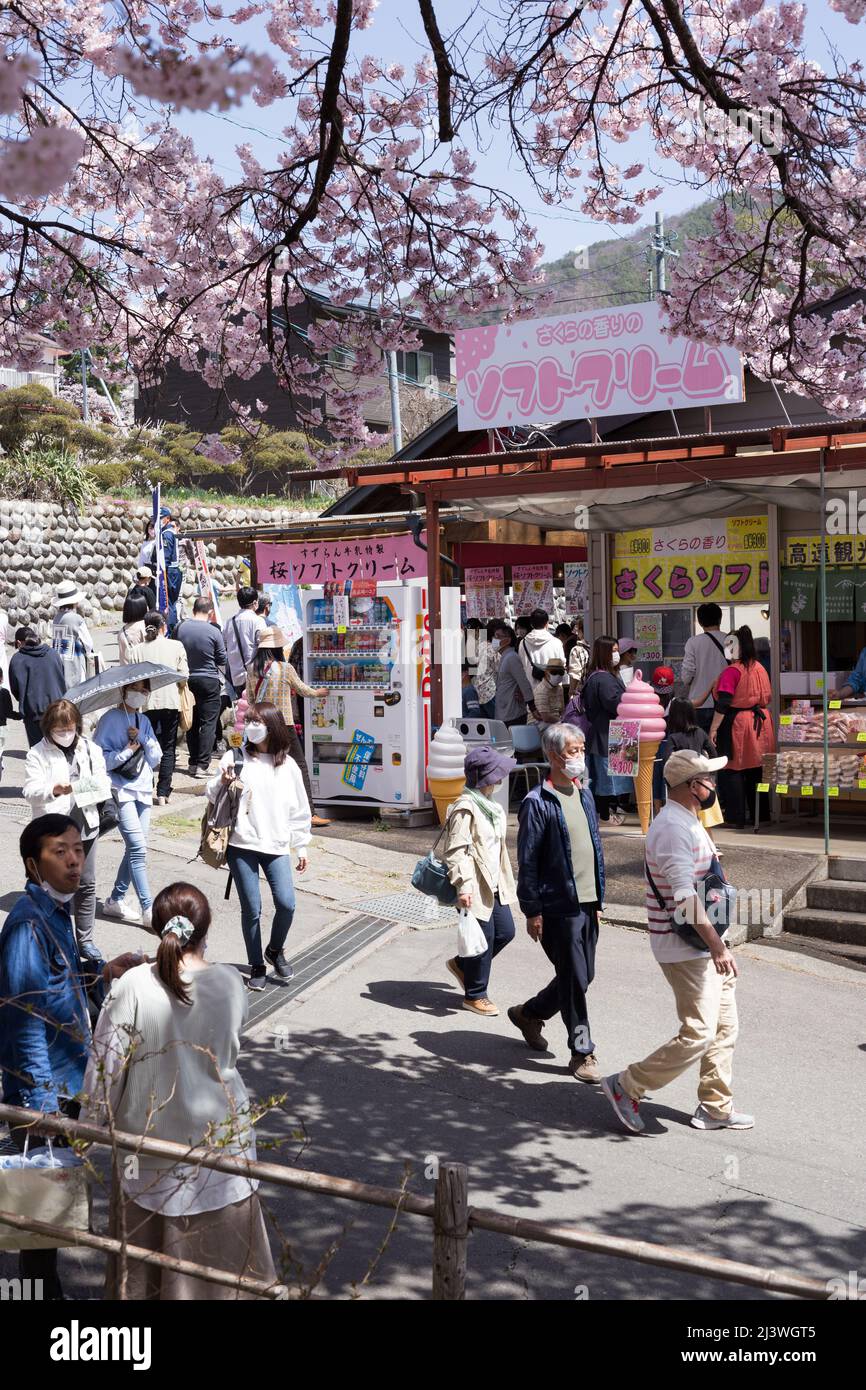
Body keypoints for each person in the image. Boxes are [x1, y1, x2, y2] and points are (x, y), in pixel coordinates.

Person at [83, 882, 277, 1300]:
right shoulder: (230, 982)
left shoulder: (133, 985)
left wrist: (89, 1128)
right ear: (206, 930)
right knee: (226, 1281)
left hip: (149, 1153)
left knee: (145, 1279)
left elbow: (105, 1069)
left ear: (157, 928)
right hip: (223, 1150)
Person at [0, 815, 139, 1299]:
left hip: (67, 1085)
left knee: (51, 1207)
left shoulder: (55, 915)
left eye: (78, 849)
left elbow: (56, 986)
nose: (74, 859)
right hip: (45, 1094)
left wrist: (101, 973)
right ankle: (40, 1296)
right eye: (60, 851)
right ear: (33, 865)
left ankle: (45, 1290)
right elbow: (21, 1018)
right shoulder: (25, 925)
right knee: (40, 1208)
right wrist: (39, 1107)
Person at [600, 749, 752, 1135]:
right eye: (708, 780)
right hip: (687, 947)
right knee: (699, 1032)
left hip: (706, 943)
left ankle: (716, 1107)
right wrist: (716, 947)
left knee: (723, 1029)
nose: (713, 785)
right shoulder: (672, 828)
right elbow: (685, 897)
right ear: (690, 786)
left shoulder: (688, 821)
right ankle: (626, 1085)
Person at [509, 724, 606, 1083]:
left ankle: (529, 1013)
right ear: (553, 756)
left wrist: (597, 896)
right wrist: (532, 909)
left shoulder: (585, 793)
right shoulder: (537, 803)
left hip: (586, 902)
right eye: (573, 751)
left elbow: (593, 846)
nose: (580, 757)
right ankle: (582, 1052)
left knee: (583, 975)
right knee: (574, 980)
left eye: (581, 749)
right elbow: (529, 860)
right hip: (557, 906)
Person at [207, 702, 311, 991]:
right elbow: (211, 792)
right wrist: (223, 782)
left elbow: (300, 810)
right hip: (242, 843)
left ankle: (275, 950)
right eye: (248, 720)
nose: (250, 726)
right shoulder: (235, 757)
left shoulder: (287, 765)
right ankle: (256, 964)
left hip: (276, 844)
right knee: (251, 908)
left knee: (287, 904)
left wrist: (302, 846)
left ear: (272, 726)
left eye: (257, 721)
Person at [23, 699, 111, 960]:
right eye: (59, 730)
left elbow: (104, 781)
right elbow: (30, 791)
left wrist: (84, 787)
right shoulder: (37, 753)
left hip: (85, 823)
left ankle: (85, 940)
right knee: (51, 885)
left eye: (69, 728)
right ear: (48, 728)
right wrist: (54, 789)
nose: (65, 734)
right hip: (54, 828)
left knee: (85, 884)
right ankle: (51, 939)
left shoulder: (89, 748)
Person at [442, 745, 518, 1017]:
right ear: (486, 777)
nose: (501, 777)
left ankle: (463, 965)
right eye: (496, 773)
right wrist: (463, 886)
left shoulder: (491, 807)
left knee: (506, 932)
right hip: (474, 884)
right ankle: (475, 995)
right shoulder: (466, 807)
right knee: (482, 937)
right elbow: (455, 851)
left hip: (494, 881)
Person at [245, 627, 330, 828]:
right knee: (299, 766)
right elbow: (302, 690)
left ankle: (263, 811)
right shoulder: (285, 668)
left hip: (260, 725)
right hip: (283, 723)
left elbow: (249, 699)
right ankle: (310, 813)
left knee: (265, 766)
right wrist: (320, 693)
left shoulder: (251, 669)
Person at [94, 678, 163, 926]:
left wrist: (142, 738)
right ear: (124, 690)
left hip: (143, 789)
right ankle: (148, 908)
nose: (140, 694)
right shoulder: (110, 719)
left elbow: (156, 757)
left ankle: (115, 899)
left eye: (145, 691)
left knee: (136, 847)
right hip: (120, 789)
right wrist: (126, 750)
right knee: (137, 848)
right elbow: (98, 757)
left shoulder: (143, 721)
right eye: (135, 689)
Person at [710, 627, 776, 830]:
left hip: (739, 723)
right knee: (757, 768)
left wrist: (713, 728)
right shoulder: (760, 668)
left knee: (732, 768)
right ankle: (762, 814)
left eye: (730, 644)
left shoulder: (732, 671)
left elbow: (724, 702)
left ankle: (735, 817)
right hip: (762, 721)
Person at [128, 610, 190, 804]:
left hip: (145, 703)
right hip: (170, 701)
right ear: (164, 626)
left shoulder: (136, 650)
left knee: (146, 745)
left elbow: (132, 679)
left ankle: (147, 786)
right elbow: (184, 677)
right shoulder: (176, 645)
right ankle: (163, 792)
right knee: (168, 747)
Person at [656, 699, 724, 845]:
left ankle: (702, 849)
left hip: (684, 787)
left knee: (687, 822)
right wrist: (710, 778)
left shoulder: (673, 738)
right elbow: (713, 754)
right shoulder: (700, 733)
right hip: (702, 783)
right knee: (704, 823)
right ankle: (711, 848)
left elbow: (667, 763)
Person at [176, 596, 227, 777]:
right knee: (208, 723)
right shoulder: (213, 631)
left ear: (193, 609)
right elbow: (222, 659)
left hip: (186, 680)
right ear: (211, 612)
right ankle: (202, 766)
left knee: (192, 721)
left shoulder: (180, 628)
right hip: (209, 681)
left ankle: (193, 762)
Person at [581, 636, 630, 825]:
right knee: (607, 778)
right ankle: (605, 814)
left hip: (607, 732)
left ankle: (606, 812)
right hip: (609, 733)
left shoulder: (598, 675)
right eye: (613, 650)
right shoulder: (604, 678)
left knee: (607, 776)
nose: (617, 654)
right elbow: (615, 704)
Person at [9, 625, 66, 745]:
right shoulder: (53, 653)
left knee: (38, 754)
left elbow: (15, 689)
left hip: (33, 714)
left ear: (19, 643)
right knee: (59, 750)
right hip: (58, 709)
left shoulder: (17, 659)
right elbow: (61, 677)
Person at [680, 603, 729, 734]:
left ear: (700, 622)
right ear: (720, 619)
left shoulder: (693, 642)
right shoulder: (729, 640)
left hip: (698, 705)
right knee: (723, 749)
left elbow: (686, 677)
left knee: (699, 750)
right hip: (725, 705)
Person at [492, 623, 537, 729]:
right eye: (494, 636)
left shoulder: (511, 657)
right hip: (504, 711)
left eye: (498, 636)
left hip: (512, 713)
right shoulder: (505, 657)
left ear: (508, 640)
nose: (495, 640)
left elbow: (523, 683)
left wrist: (532, 706)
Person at [51, 580, 94, 690]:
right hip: (75, 658)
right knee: (78, 689)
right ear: (75, 601)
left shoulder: (56, 618)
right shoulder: (76, 619)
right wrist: (89, 653)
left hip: (59, 658)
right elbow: (88, 643)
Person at [224, 585, 266, 696]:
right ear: (255, 603)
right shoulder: (258, 621)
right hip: (256, 675)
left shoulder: (229, 622)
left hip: (236, 676)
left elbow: (224, 645)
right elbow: (264, 645)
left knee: (242, 708)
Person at [519, 609, 566, 681]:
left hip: (531, 688)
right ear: (547, 623)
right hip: (552, 688)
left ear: (531, 624)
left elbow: (522, 666)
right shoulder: (556, 642)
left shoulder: (523, 643)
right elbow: (561, 666)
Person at [529, 658, 567, 730]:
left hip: (555, 722)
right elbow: (545, 717)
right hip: (538, 724)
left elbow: (562, 710)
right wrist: (562, 722)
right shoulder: (541, 690)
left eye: (561, 673)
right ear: (546, 673)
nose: (558, 675)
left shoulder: (559, 689)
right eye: (554, 672)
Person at [475, 619, 501, 719]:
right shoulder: (494, 648)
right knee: (496, 723)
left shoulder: (481, 645)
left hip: (479, 690)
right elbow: (500, 669)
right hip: (491, 691)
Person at [118, 592, 149, 664]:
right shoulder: (144, 626)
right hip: (144, 669)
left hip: (128, 671)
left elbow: (122, 658)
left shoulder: (122, 632)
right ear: (142, 608)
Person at [567, 617, 590, 694]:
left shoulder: (577, 650)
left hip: (582, 692)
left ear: (581, 630)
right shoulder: (599, 646)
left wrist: (571, 692)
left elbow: (575, 675)